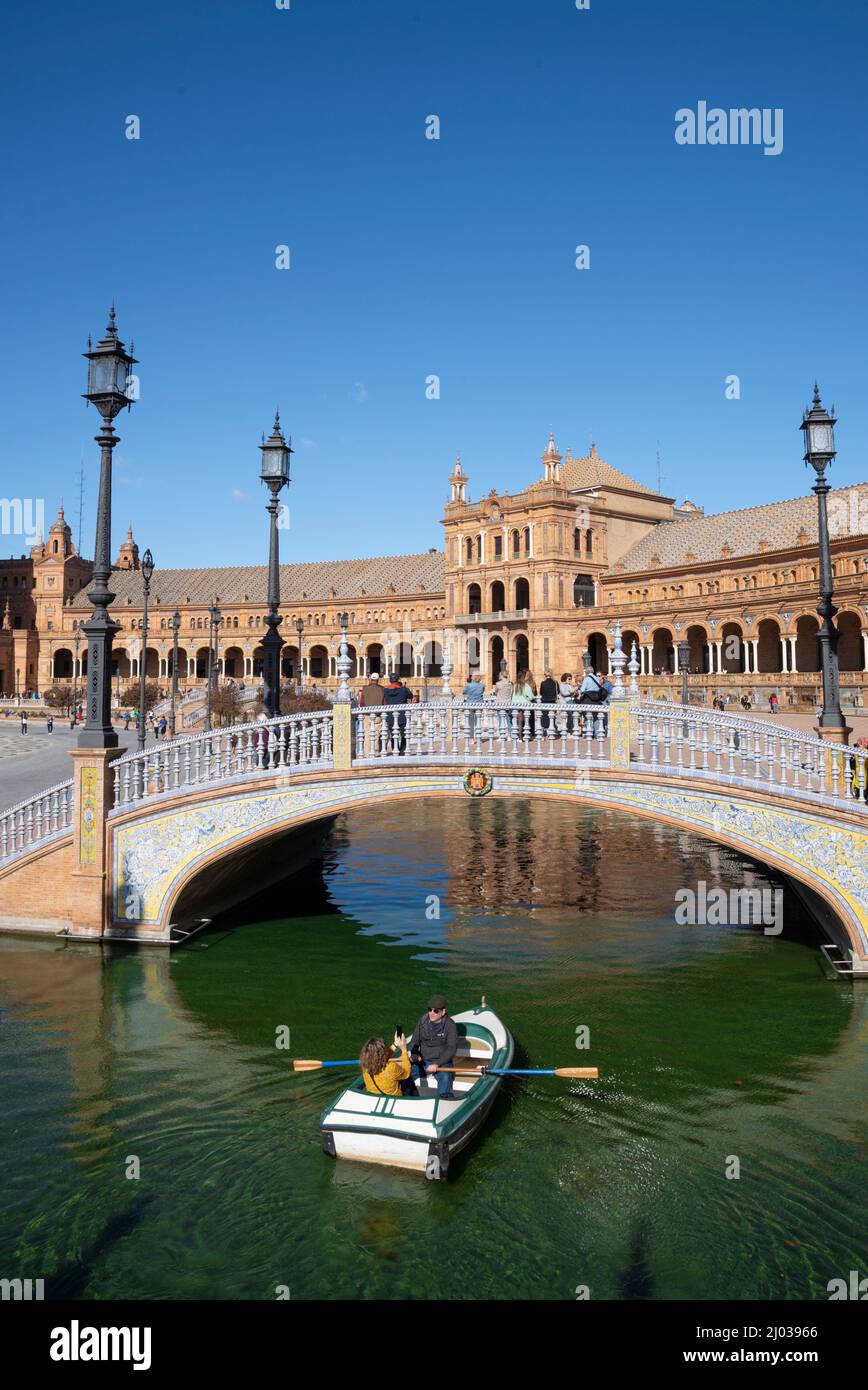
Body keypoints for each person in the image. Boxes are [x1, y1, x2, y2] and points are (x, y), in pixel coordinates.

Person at [405, 996, 459, 1100]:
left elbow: (451, 1049)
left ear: (443, 1012)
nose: (431, 1013)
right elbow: (415, 1041)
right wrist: (415, 1054)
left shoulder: (450, 1025)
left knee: (445, 1077)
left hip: (442, 1062)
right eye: (430, 1009)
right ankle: (407, 1098)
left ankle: (442, 1101)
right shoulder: (422, 1020)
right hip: (423, 1060)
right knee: (405, 1075)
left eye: (436, 1011)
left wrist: (437, 1064)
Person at [360, 1030, 411, 1097]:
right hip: (396, 1099)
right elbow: (406, 1074)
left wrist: (395, 1044)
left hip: (376, 1097)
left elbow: (381, 1057)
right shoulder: (391, 1067)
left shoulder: (365, 1067)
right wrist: (404, 1049)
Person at [383, 672, 412, 754]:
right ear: (398, 680)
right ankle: (402, 751)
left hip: (390, 716)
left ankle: (395, 750)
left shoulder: (385, 690)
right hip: (403, 716)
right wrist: (403, 686)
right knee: (404, 735)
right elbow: (410, 695)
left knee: (393, 735)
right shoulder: (403, 690)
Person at [511, 670, 535, 739]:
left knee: (519, 722)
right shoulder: (526, 686)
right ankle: (525, 736)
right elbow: (531, 697)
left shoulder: (515, 685)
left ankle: (520, 737)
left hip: (516, 704)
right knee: (526, 721)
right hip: (525, 705)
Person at [462, 671, 485, 738]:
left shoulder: (469, 685)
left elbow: (464, 692)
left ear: (473, 678)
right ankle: (478, 737)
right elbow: (482, 691)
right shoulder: (482, 685)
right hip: (479, 704)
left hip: (470, 704)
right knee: (478, 721)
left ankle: (472, 738)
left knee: (471, 722)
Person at [493, 668, 513, 734]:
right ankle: (510, 734)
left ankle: (502, 734)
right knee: (508, 719)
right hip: (508, 703)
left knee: (500, 719)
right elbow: (512, 693)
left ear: (501, 675)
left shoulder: (498, 684)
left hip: (500, 703)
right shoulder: (510, 684)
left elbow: (495, 692)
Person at [539, 670, 559, 737]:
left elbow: (541, 692)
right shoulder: (555, 683)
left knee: (545, 717)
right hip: (553, 701)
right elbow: (558, 692)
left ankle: (545, 731)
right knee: (552, 717)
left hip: (544, 702)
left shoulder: (543, 683)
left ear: (545, 675)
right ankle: (552, 731)